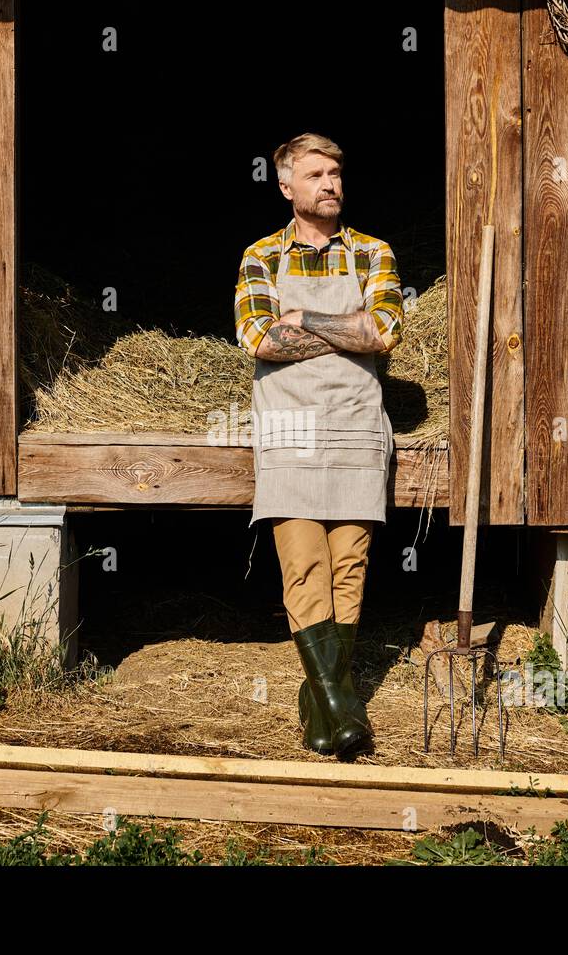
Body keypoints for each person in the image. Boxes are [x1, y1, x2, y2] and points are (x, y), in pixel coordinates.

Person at [233, 132, 403, 758]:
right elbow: (258, 338)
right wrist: (344, 330)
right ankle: (340, 703)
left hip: (357, 422)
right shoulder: (259, 256)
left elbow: (384, 331)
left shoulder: (372, 252)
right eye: (315, 174)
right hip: (290, 426)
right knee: (304, 565)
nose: (330, 183)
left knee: (349, 568)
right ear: (286, 187)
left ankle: (320, 701)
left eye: (336, 173)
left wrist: (303, 320)